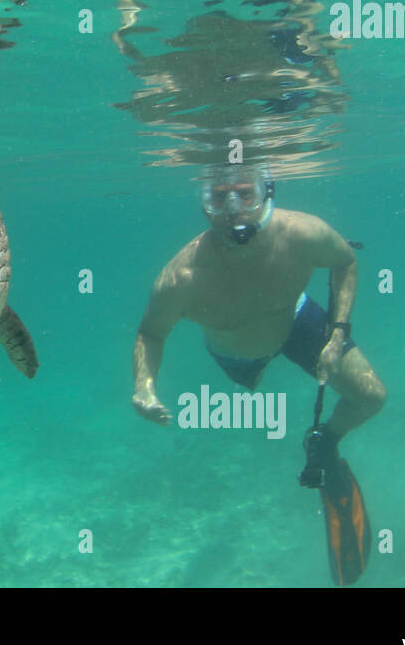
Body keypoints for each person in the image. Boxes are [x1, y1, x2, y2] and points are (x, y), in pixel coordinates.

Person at [131, 163, 385, 476]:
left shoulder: (302, 233)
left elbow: (345, 260)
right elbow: (151, 333)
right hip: (238, 355)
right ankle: (259, 374)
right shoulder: (182, 278)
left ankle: (324, 440)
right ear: (205, 206)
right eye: (219, 198)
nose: (233, 210)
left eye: (246, 195)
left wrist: (337, 336)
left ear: (267, 193)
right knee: (253, 385)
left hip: (296, 318)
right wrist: (145, 387)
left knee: (370, 398)